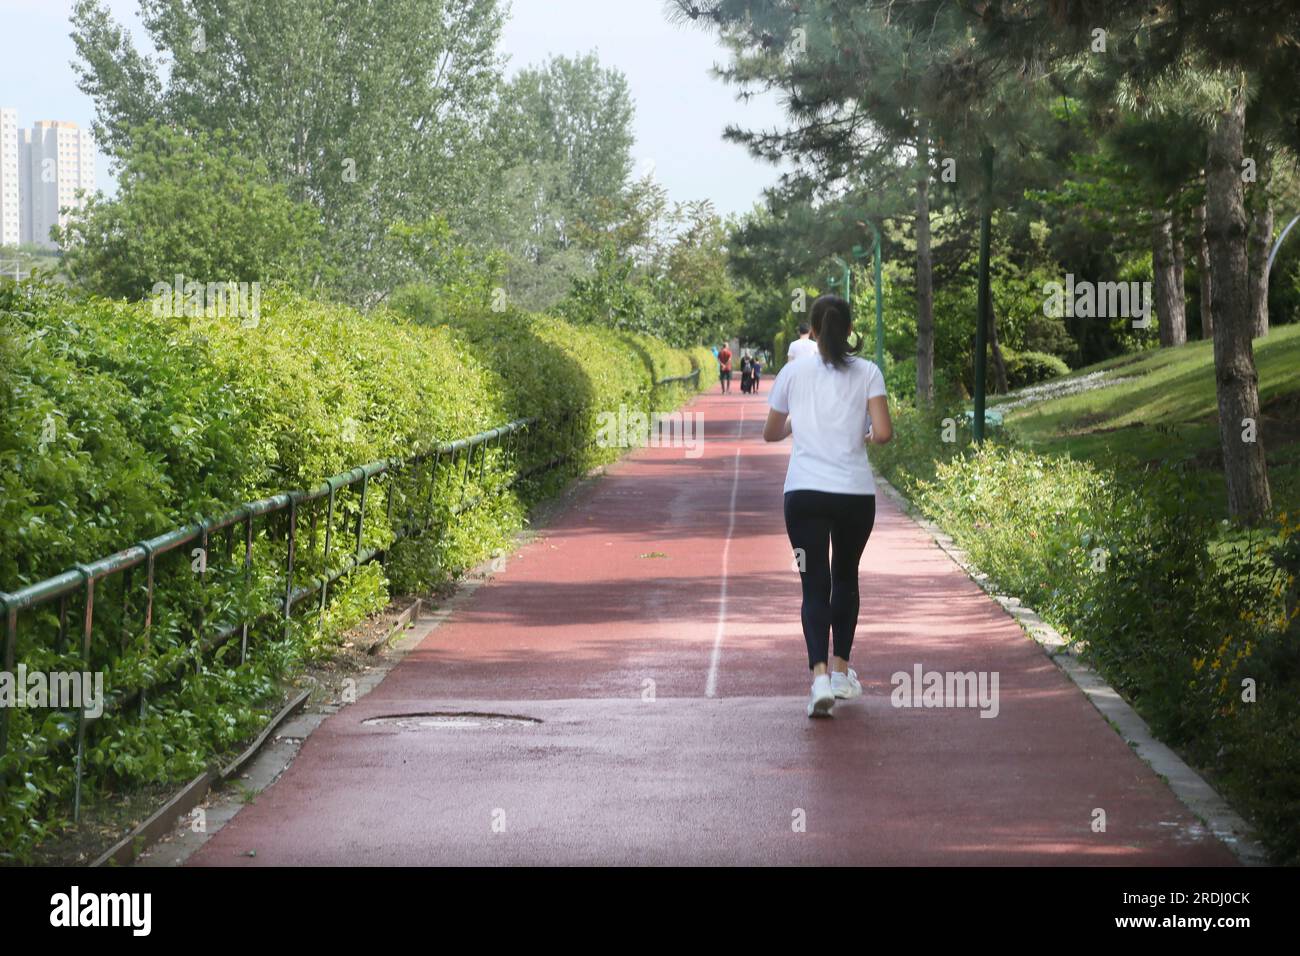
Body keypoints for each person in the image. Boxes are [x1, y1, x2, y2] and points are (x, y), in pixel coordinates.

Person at [763, 295, 892, 718]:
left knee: (812, 582)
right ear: (849, 328)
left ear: (813, 331)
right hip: (854, 495)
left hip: (804, 495)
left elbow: (771, 432)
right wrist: (864, 436)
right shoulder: (869, 372)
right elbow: (884, 433)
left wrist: (800, 424)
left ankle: (818, 676)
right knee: (846, 577)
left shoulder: (791, 372)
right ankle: (841, 672)